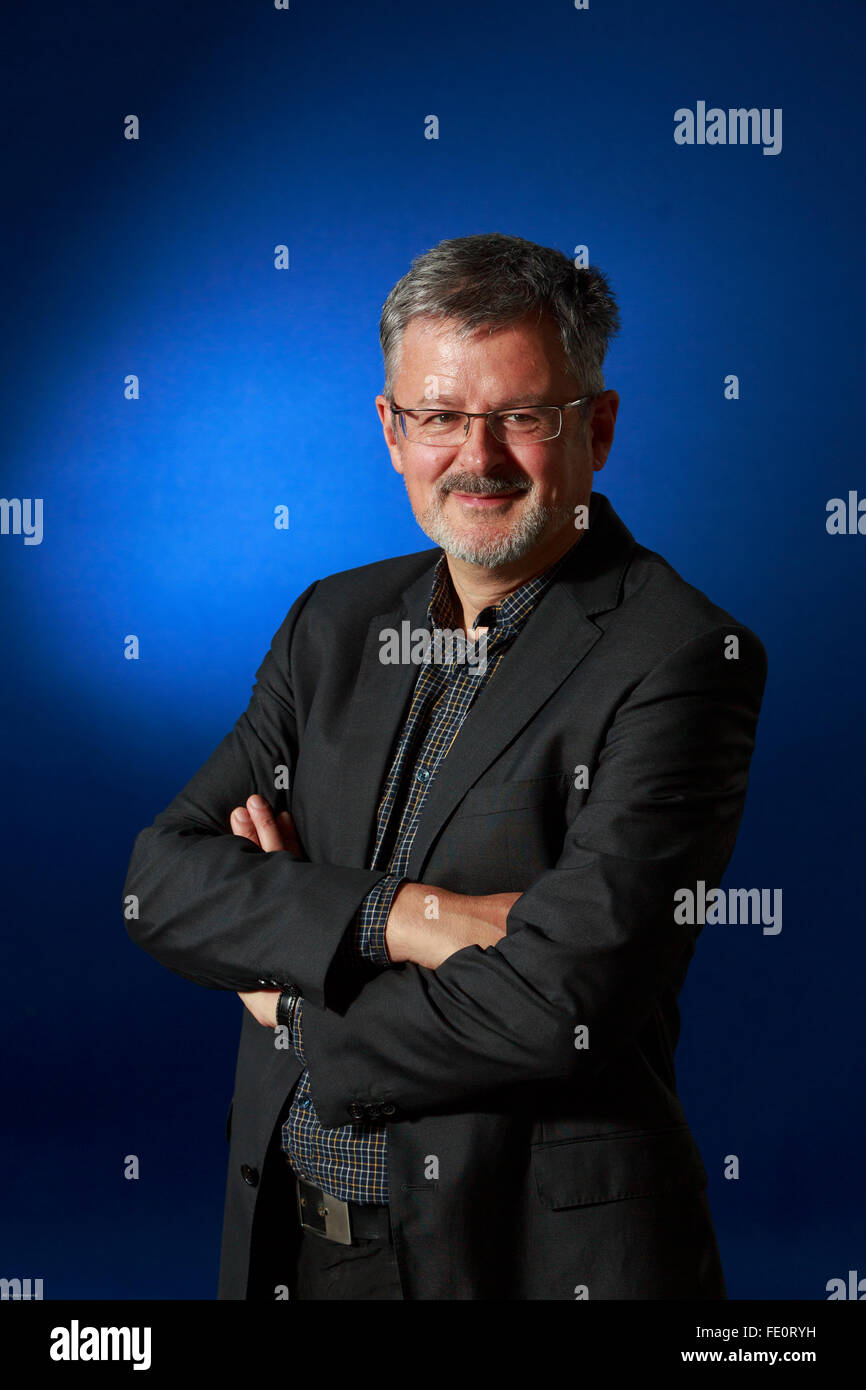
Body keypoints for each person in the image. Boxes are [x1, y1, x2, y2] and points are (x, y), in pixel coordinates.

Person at [123, 232, 767, 1300]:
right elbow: (163, 879)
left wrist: (292, 1000)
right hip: (293, 1247)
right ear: (390, 428)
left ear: (595, 428)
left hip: (519, 1256)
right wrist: (405, 916)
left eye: (521, 415)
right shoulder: (329, 625)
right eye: (437, 416)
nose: (476, 458)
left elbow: (564, 999)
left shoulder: (682, 656)